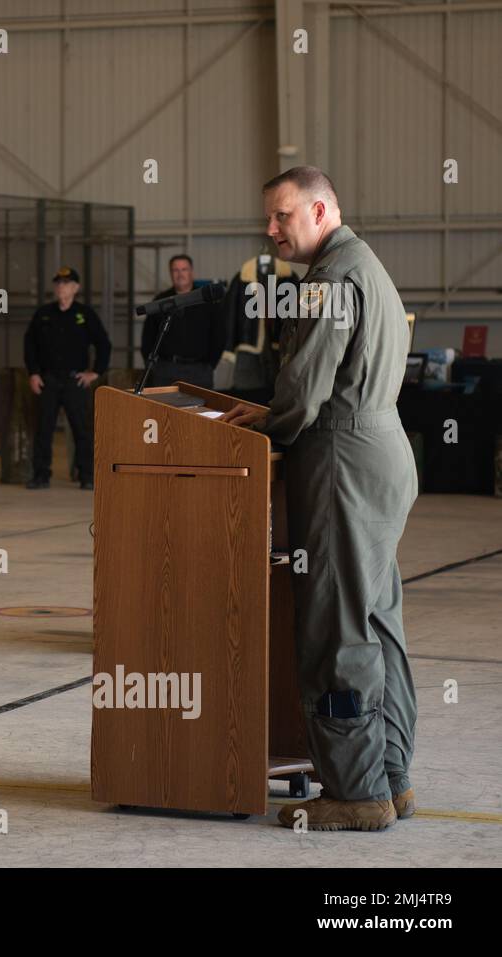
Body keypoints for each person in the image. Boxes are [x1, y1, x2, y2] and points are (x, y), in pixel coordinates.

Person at [223, 167, 418, 832]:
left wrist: (269, 424)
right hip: (381, 452)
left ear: (320, 210)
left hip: (340, 463)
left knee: (335, 628)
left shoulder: (328, 282)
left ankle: (356, 791)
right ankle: (390, 777)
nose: (271, 230)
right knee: (377, 621)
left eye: (282, 216)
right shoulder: (367, 267)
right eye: (269, 218)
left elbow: (305, 392)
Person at [23, 267, 111, 491]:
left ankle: (87, 475)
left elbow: (103, 343)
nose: (61, 287)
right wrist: (33, 373)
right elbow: (29, 345)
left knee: (81, 429)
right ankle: (41, 475)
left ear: (75, 288)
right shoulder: (44, 314)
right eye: (58, 283)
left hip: (75, 380)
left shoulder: (85, 314)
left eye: (66, 283)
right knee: (44, 429)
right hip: (48, 380)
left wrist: (96, 372)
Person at [140, 254, 225, 389]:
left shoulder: (207, 301)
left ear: (191, 272)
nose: (180, 274)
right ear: (170, 273)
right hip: (165, 370)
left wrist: (210, 365)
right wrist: (154, 367)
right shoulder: (161, 301)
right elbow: (148, 337)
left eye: (184, 269)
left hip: (199, 371)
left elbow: (219, 335)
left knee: (200, 404)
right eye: (176, 270)